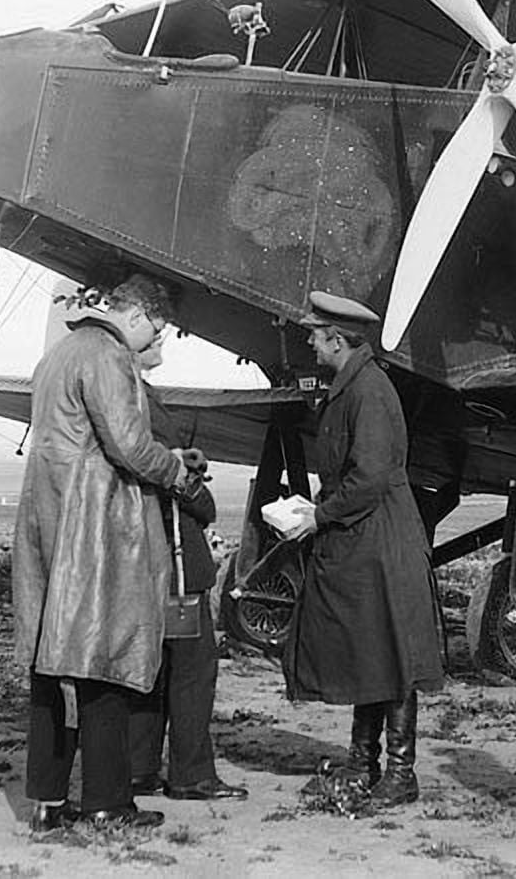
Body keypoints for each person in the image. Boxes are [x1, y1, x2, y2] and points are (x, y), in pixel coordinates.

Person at [13, 274, 188, 833]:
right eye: (155, 331)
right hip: (93, 528)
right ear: (136, 316)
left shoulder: (59, 353)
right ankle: (109, 803)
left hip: (48, 518)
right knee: (101, 661)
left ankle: (45, 800)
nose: (153, 342)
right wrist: (177, 471)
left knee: (51, 666)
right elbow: (130, 445)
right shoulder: (109, 357)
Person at [284, 290, 444, 809]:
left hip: (381, 541)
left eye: (316, 334)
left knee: (391, 656)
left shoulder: (368, 390)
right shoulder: (352, 387)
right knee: (372, 652)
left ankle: (399, 774)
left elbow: (371, 475)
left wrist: (319, 517)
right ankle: (362, 765)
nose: (310, 341)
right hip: (366, 538)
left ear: (337, 339)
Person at [130, 334, 247, 803]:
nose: (160, 340)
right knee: (193, 669)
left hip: (152, 562)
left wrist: (180, 461)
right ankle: (191, 774)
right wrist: (196, 491)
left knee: (155, 669)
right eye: (153, 336)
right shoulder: (141, 398)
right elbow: (163, 475)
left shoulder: (131, 396)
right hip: (177, 567)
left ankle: (138, 768)